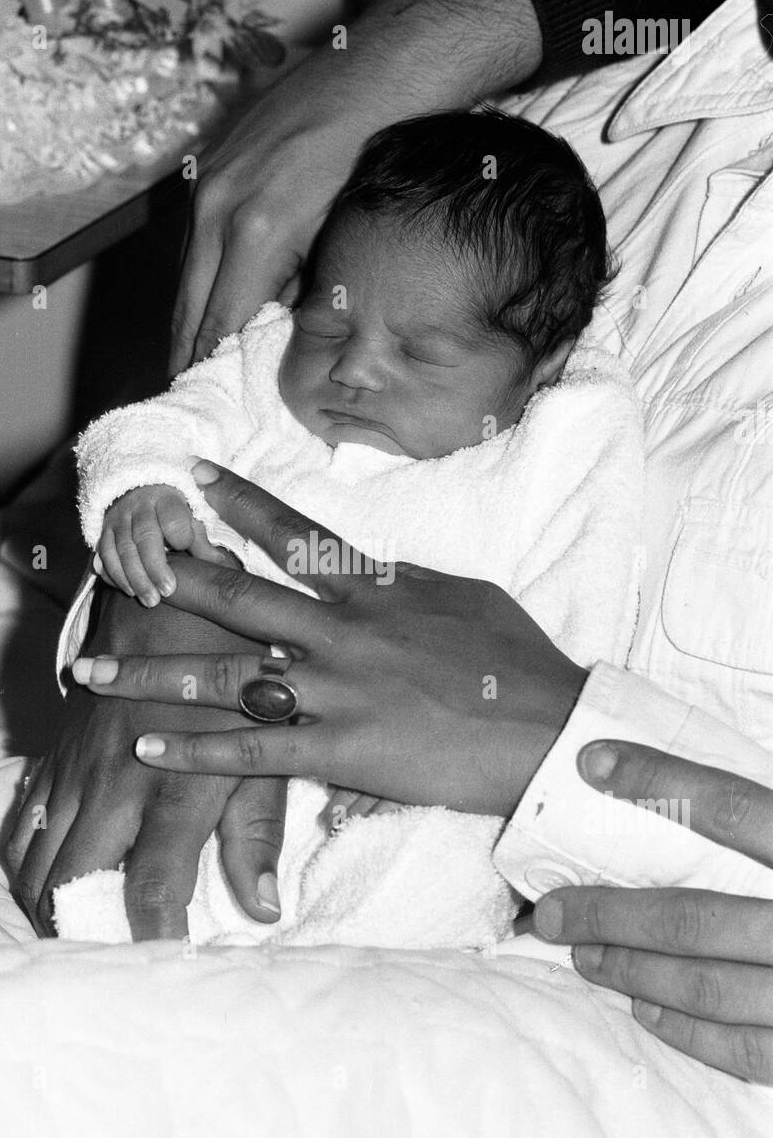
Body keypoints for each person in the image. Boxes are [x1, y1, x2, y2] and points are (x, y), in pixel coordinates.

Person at [10, 0, 773, 1081]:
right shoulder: (530, 154)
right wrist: (162, 594)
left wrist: (542, 751)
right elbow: (201, 413)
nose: (361, 367)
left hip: (532, 1044)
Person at [54, 108, 640, 947]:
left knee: (433, 874)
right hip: (210, 721)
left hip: (414, 776)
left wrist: (473, 751)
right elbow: (155, 424)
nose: (354, 368)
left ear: (542, 366)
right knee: (112, 878)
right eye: (329, 325)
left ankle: (352, 980)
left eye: (421, 355)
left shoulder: (556, 446)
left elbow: (581, 619)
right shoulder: (262, 369)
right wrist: (142, 487)